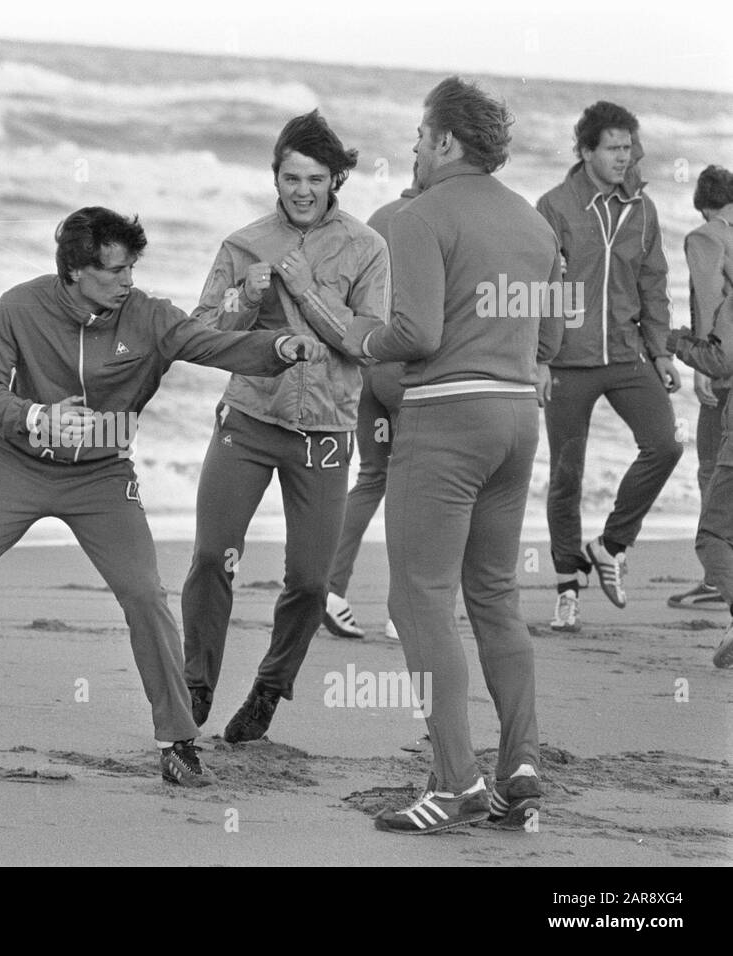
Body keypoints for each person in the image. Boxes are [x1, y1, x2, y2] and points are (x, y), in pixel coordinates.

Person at [0, 206, 323, 787]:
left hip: (101, 478)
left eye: (131, 268)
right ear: (74, 271)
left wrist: (278, 349)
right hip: (14, 465)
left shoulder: (146, 315)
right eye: (115, 271)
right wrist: (34, 415)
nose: (128, 281)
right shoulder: (19, 307)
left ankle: (177, 741)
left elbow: (212, 344)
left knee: (146, 594)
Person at [339, 76, 563, 834]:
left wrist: (357, 339)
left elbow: (418, 334)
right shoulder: (537, 226)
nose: (413, 152)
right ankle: (522, 766)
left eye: (417, 139)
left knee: (418, 600)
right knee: (495, 593)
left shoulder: (418, 215)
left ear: (444, 141)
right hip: (517, 419)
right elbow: (553, 339)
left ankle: (458, 781)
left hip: (446, 421)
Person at [179, 111, 389, 741]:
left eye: (316, 179)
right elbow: (201, 337)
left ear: (336, 181)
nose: (303, 190)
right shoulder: (242, 244)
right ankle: (196, 685)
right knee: (213, 556)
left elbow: (369, 343)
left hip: (324, 436)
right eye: (291, 177)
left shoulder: (367, 248)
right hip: (248, 421)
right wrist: (244, 299)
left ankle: (270, 689)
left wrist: (306, 291)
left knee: (309, 580)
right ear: (275, 178)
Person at [536, 101, 683, 632]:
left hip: (626, 354)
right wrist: (537, 359)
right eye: (614, 148)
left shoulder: (642, 209)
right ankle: (566, 587)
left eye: (629, 147)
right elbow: (538, 290)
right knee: (566, 477)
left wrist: (661, 351)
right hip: (567, 362)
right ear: (587, 151)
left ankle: (610, 544)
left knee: (665, 445)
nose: (625, 157)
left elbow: (654, 284)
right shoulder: (553, 206)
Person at [324, 164, 421, 642]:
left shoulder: (381, 218)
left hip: (368, 364)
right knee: (415, 489)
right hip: (410, 373)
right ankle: (402, 609)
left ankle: (331, 587)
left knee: (372, 478)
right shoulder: (437, 221)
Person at [669, 166, 733, 611]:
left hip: (724, 365)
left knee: (713, 473)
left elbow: (709, 298)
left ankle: (718, 578)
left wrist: (697, 359)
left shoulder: (708, 235)